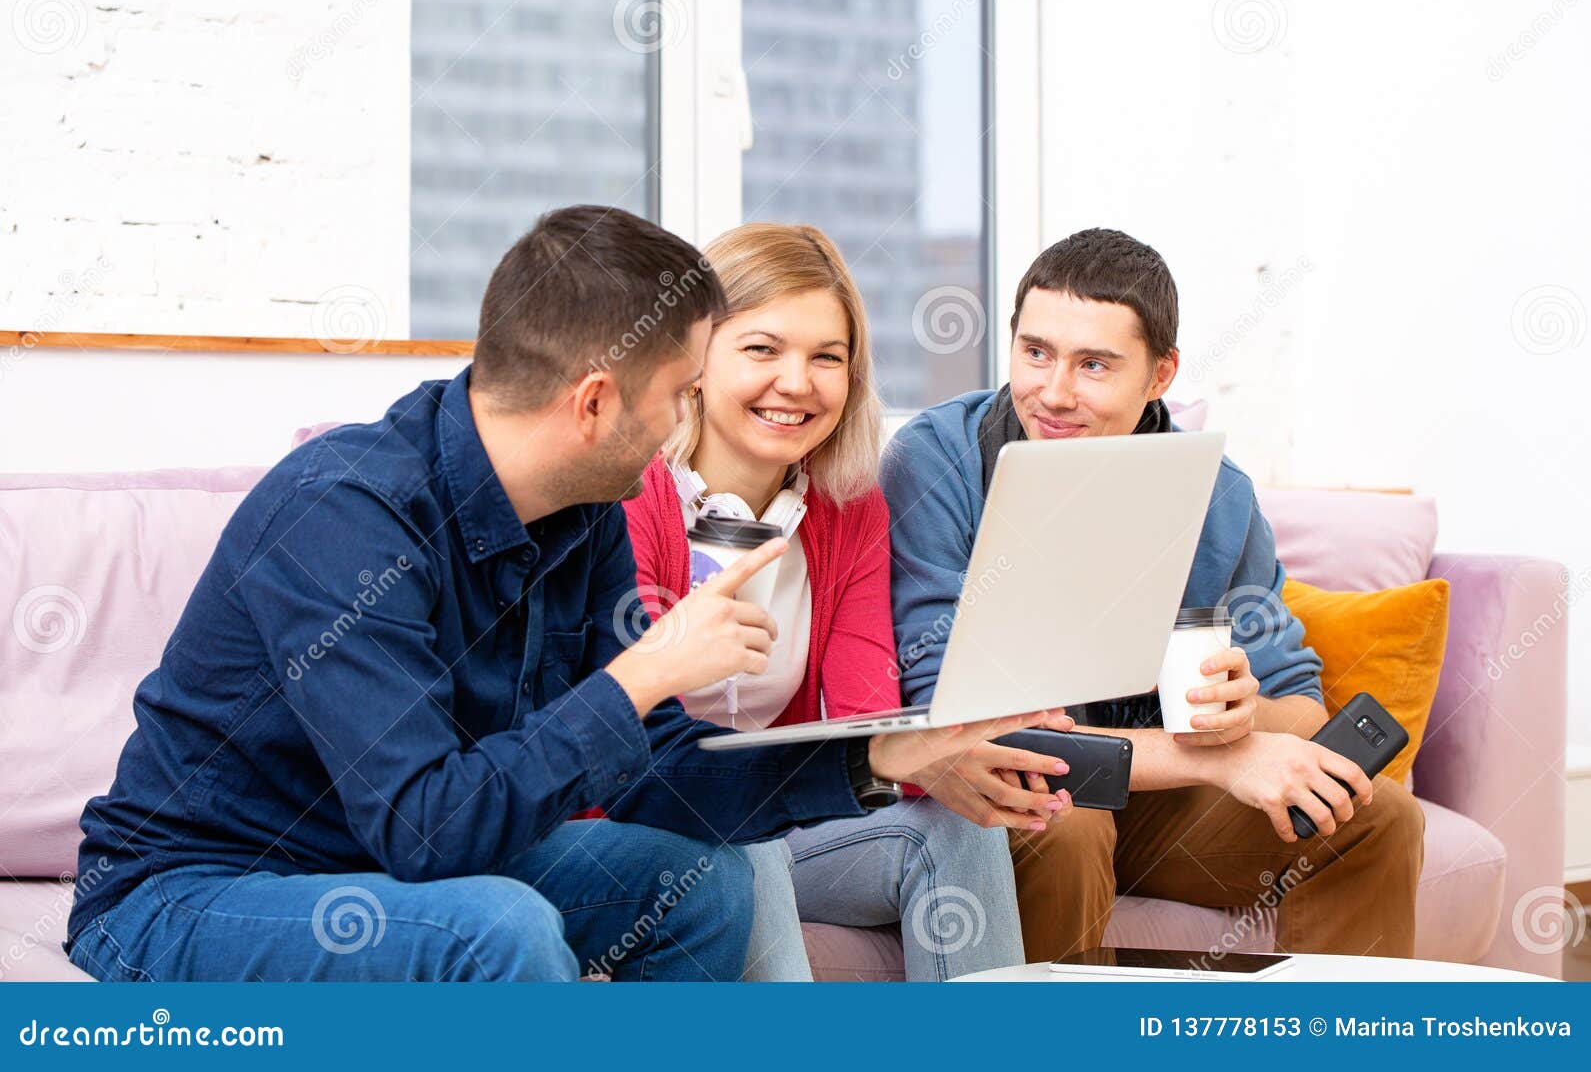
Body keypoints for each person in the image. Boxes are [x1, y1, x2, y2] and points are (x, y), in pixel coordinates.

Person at [66, 205, 1056, 983]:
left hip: (381, 863)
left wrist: (881, 752)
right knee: (502, 930)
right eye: (679, 392)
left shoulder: (577, 511)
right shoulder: (343, 516)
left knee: (701, 884)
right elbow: (428, 825)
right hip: (201, 887)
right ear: (592, 402)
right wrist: (636, 677)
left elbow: (654, 773)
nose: (685, 420)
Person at [880, 227, 1426, 962]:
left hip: (1155, 806)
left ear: (1161, 374)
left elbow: (1300, 710)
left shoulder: (1218, 495)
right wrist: (1214, 760)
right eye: (1035, 352)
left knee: (1378, 813)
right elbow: (953, 724)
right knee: (1063, 820)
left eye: (1095, 364)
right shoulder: (936, 461)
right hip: (1022, 792)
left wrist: (1242, 715)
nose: (1054, 391)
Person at [623, 222, 1073, 981]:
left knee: (959, 833)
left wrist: (964, 740)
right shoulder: (630, 494)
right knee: (747, 829)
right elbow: (621, 740)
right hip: (646, 824)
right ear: (694, 359)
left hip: (782, 823)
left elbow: (869, 715)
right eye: (763, 349)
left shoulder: (848, 510)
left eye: (827, 357)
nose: (798, 382)